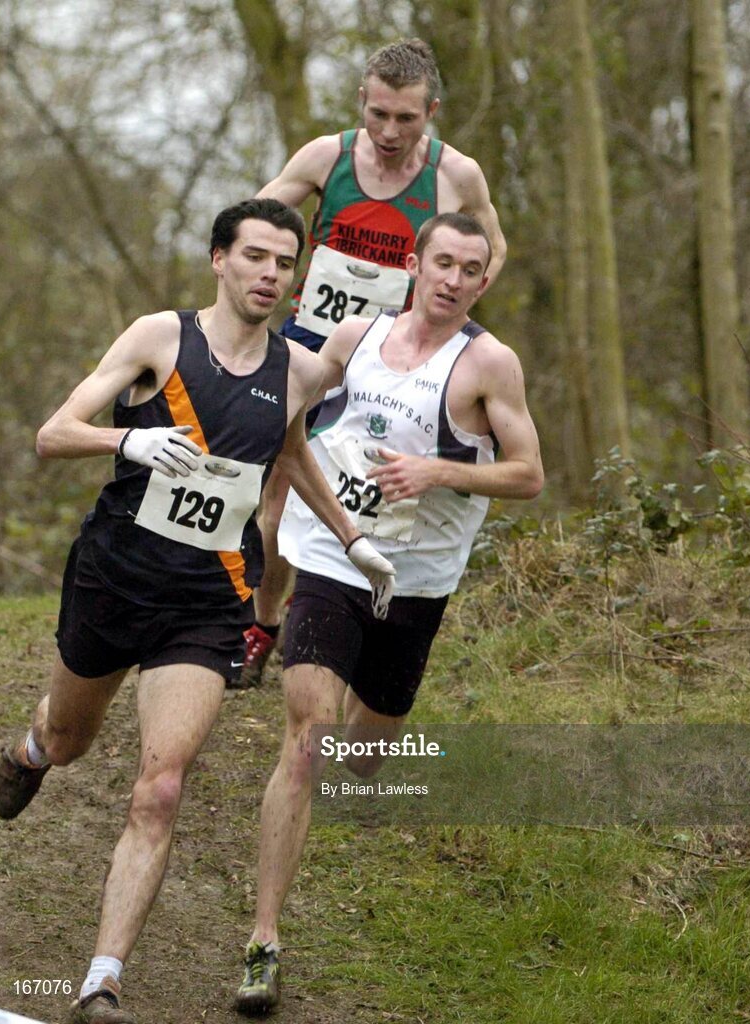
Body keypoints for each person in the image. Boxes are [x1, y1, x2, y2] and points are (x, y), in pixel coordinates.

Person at [0, 199, 395, 1024]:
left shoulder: (298, 371)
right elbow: (51, 432)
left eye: (285, 264)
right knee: (72, 740)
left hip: (208, 601)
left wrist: (351, 540)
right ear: (219, 259)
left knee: (162, 786)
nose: (269, 276)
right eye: (254, 258)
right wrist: (125, 442)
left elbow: (292, 453)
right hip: (114, 580)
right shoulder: (158, 338)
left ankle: (100, 982)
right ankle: (35, 744)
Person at [234, 212, 543, 1014]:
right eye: (441, 261)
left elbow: (528, 475)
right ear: (415, 261)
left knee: (363, 758)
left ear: (481, 281)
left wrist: (438, 471)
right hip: (336, 554)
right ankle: (264, 939)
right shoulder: (357, 336)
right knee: (307, 736)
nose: (452, 278)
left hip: (417, 583)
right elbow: (290, 407)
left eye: (469, 269)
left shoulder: (489, 364)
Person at [240, 37, 508, 687]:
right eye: (378, 113)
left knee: (376, 491)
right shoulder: (324, 158)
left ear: (432, 111)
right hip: (311, 342)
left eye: (406, 118)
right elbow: (255, 221)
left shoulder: (455, 176)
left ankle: (360, 622)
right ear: (362, 100)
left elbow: (494, 247)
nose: (389, 131)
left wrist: (445, 314)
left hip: (393, 358)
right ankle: (263, 623)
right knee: (276, 500)